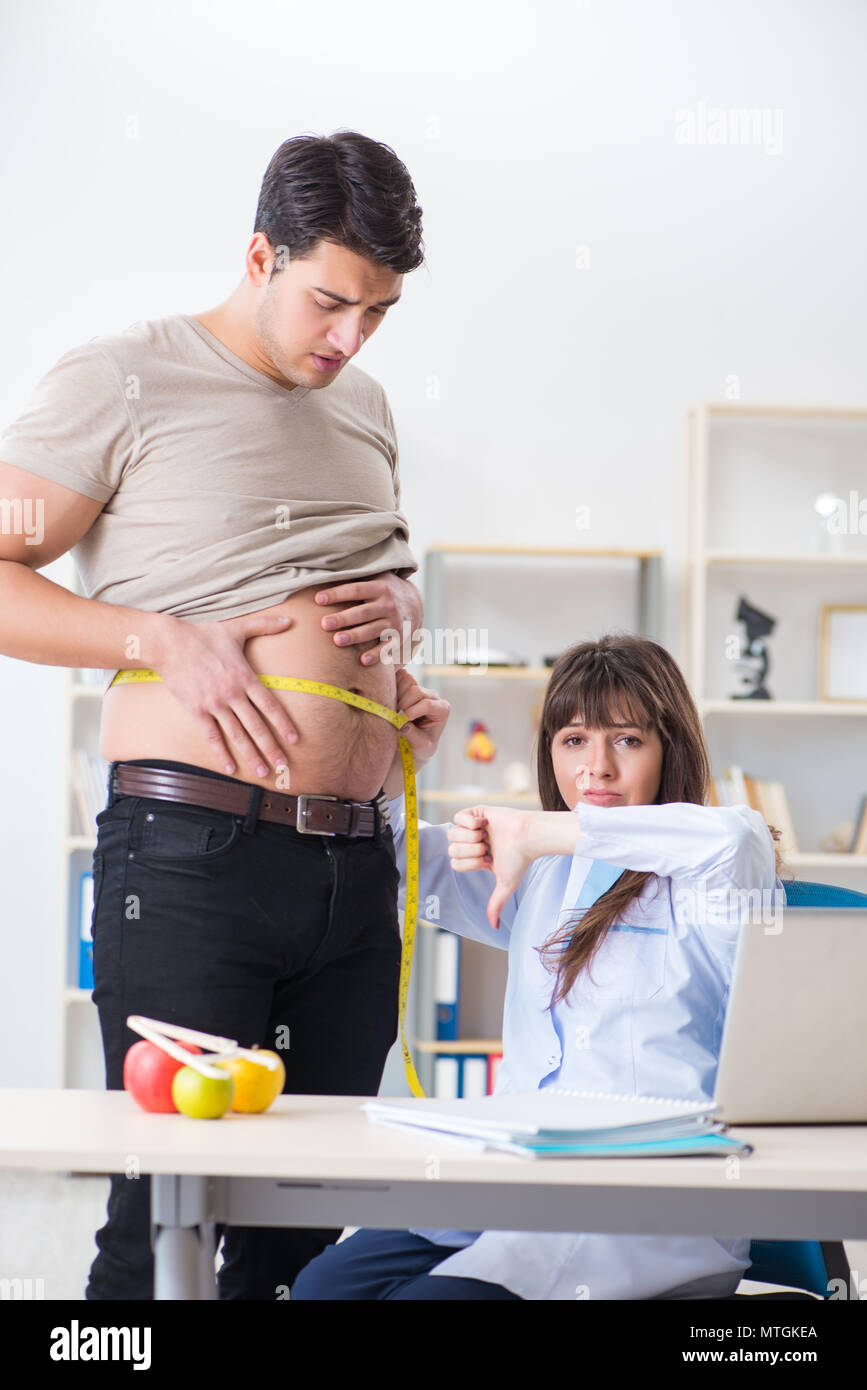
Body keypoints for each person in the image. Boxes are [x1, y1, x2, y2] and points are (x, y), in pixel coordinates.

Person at [0, 130, 428, 1299]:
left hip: (355, 871)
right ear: (259, 254)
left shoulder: (367, 405)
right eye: (331, 302)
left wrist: (399, 665)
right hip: (193, 859)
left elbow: (354, 582)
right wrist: (158, 639)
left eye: (379, 312)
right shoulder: (123, 376)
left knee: (302, 1225)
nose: (350, 339)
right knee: (166, 1210)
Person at [291, 633, 789, 1301]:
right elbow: (389, 858)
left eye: (628, 740)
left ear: (671, 746)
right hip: (520, 1175)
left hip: (648, 1202)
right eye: (573, 740)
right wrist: (395, 760)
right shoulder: (541, 873)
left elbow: (730, 837)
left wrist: (536, 832)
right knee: (324, 1286)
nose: (597, 768)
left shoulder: (716, 869)